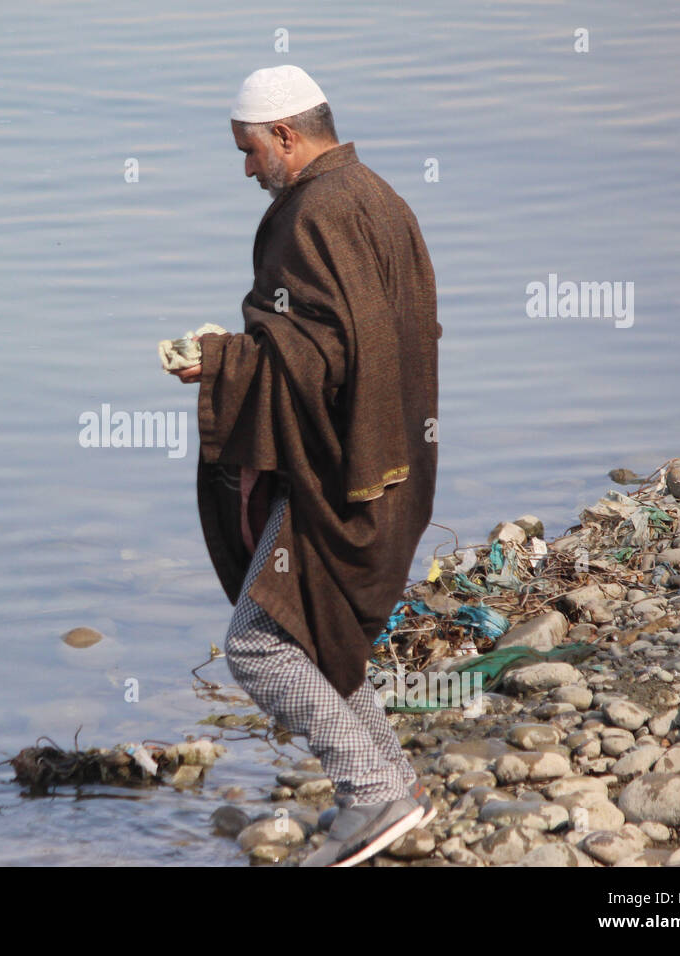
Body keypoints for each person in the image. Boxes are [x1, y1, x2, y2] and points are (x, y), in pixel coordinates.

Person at [170, 65, 442, 867]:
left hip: (342, 471)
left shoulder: (316, 213)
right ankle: (397, 787)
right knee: (318, 629)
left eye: (249, 151)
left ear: (286, 135)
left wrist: (220, 361)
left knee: (258, 644)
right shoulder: (377, 196)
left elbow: (321, 361)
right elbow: (373, 344)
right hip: (394, 462)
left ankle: (370, 795)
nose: (247, 169)